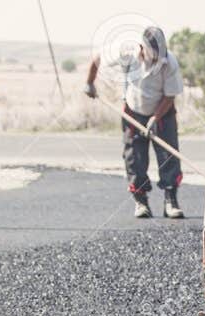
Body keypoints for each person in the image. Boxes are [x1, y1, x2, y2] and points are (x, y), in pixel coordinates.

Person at [84, 26, 185, 219]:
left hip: (163, 112)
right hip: (133, 112)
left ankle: (171, 201)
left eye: (159, 57)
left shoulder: (169, 62)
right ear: (141, 47)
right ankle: (141, 202)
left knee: (168, 156)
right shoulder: (126, 52)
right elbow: (97, 58)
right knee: (134, 158)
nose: (156, 61)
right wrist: (89, 83)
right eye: (152, 56)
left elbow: (170, 95)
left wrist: (155, 118)